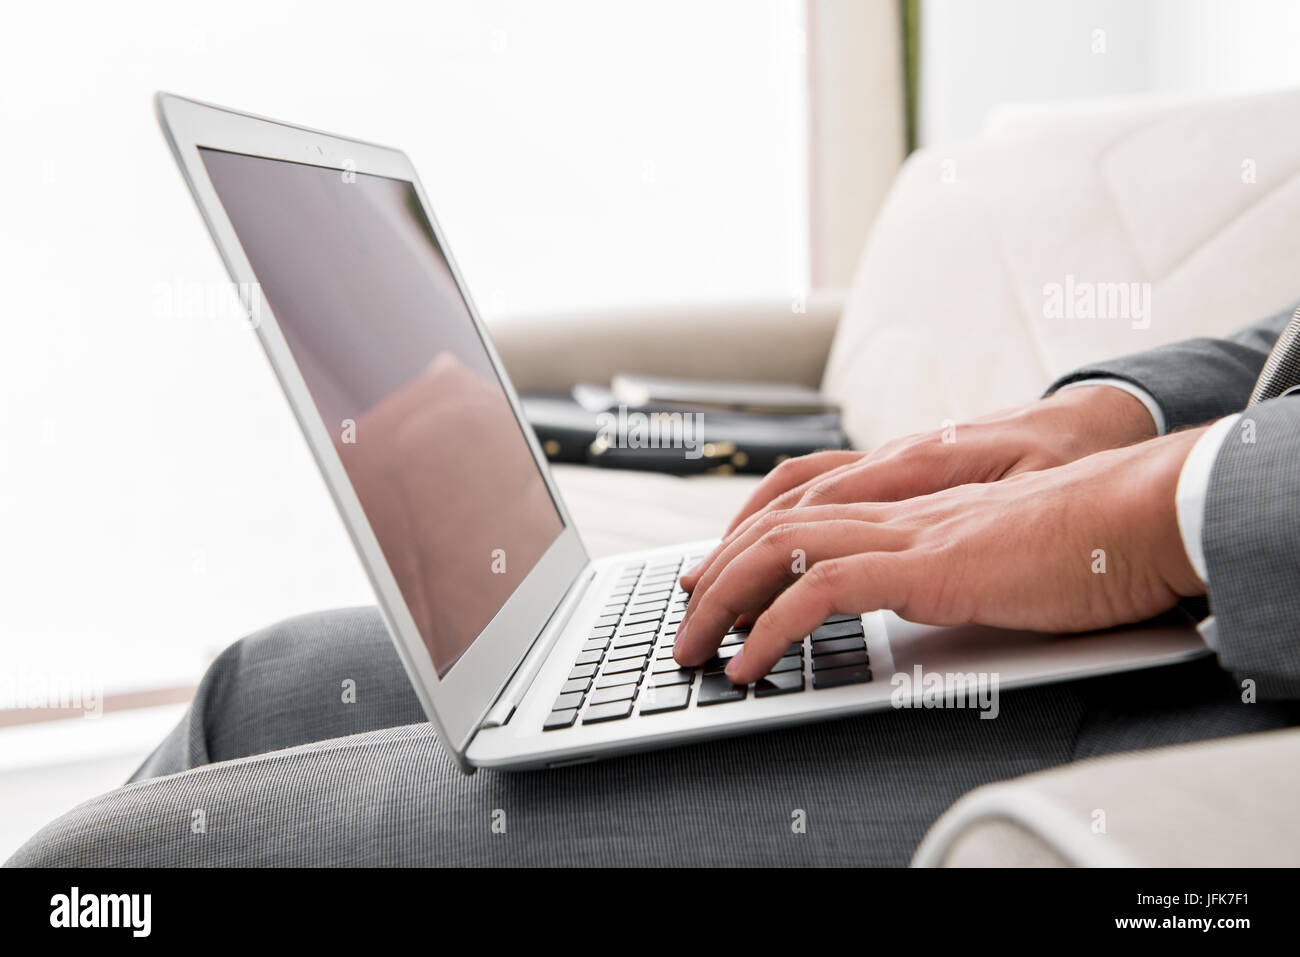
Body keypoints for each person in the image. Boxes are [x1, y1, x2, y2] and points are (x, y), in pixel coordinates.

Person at [9, 304, 1300, 868]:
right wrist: (1116, 416)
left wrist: (1174, 509)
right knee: (262, 684)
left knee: (105, 867)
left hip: (1242, 699)